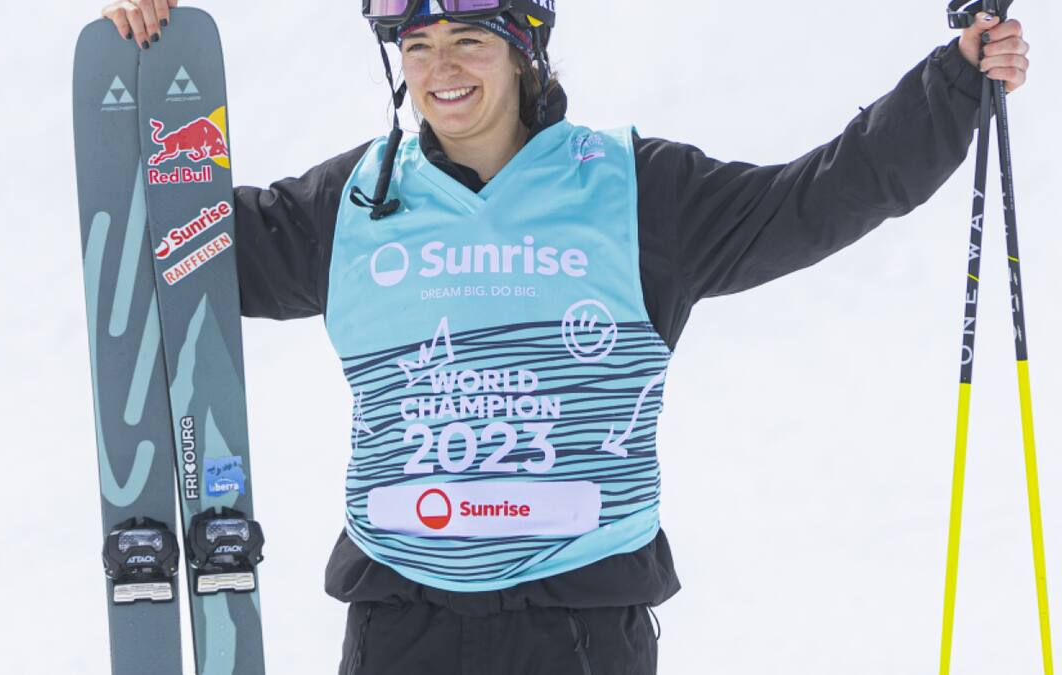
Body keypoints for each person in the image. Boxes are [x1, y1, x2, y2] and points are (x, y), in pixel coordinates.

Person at [100, 1, 1029, 673]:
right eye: (417, 46)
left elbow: (820, 194)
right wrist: (140, 74)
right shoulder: (356, 202)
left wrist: (953, 82)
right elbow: (185, 253)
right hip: (400, 621)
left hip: (577, 624)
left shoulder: (633, 190)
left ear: (526, 47)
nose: (441, 69)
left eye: (468, 39)